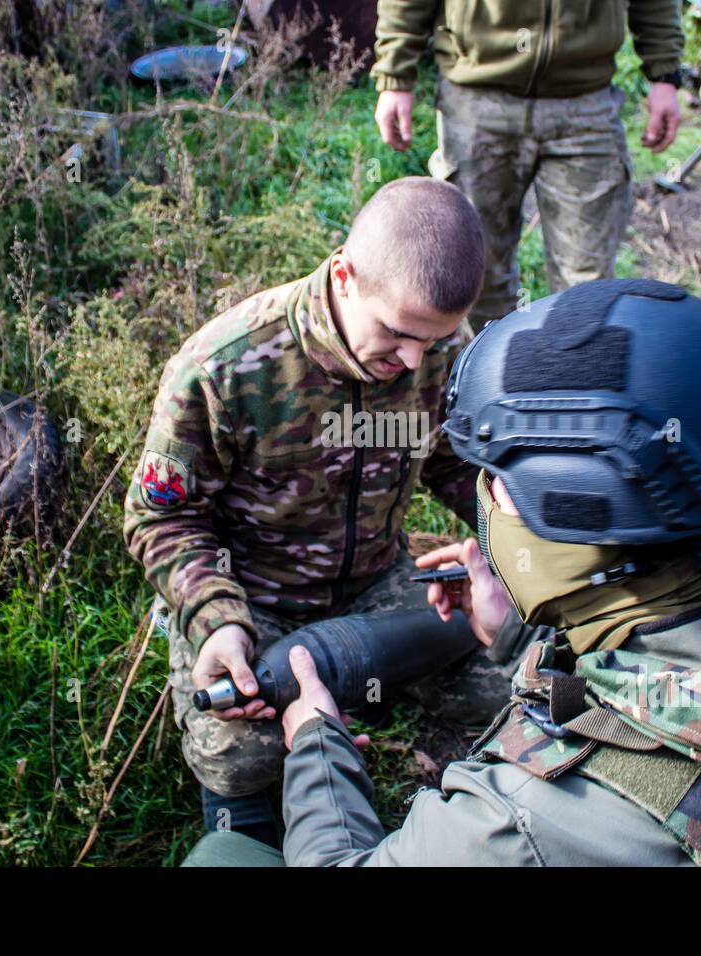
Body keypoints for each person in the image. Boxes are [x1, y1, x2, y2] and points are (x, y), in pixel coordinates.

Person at [182, 278, 701, 867]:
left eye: (493, 480)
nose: (480, 495)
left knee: (224, 860)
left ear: (567, 526)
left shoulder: (525, 815)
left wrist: (317, 740)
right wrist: (525, 631)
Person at [123, 177, 519, 849]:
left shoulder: (439, 343)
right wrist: (215, 619)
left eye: (436, 340)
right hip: (254, 595)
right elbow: (160, 517)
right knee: (239, 749)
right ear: (345, 276)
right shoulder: (227, 365)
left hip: (379, 584)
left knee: (511, 675)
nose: (414, 361)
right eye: (397, 335)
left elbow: (459, 464)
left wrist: (524, 546)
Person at [370, 0, 684, 333]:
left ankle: (572, 381)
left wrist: (664, 73)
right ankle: (489, 377)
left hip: (585, 100)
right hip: (477, 96)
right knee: (474, 271)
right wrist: (395, 73)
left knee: (587, 285)